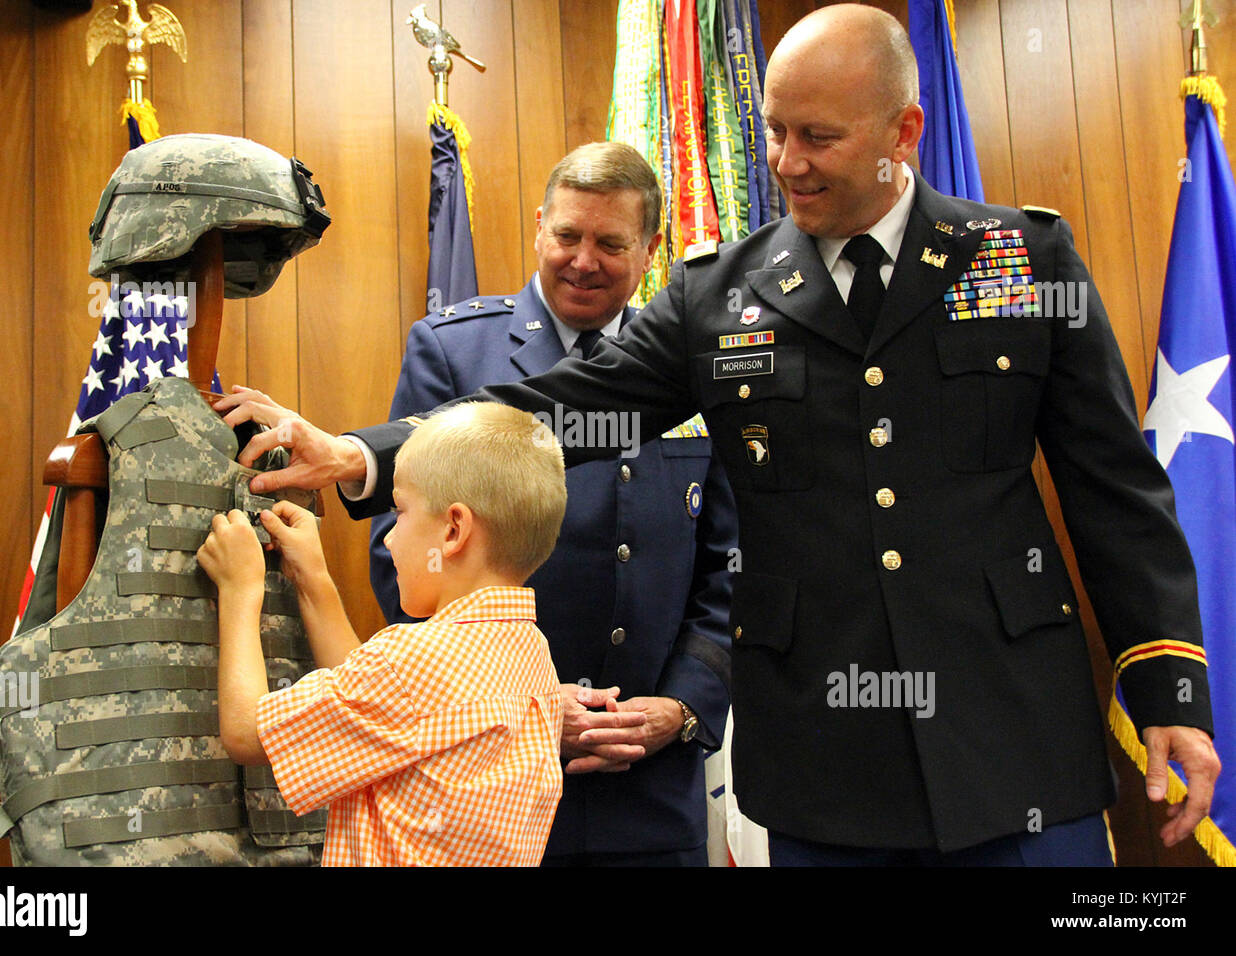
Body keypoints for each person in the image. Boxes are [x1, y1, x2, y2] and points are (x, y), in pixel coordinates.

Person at [217, 4, 1220, 864]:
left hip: (1009, 733)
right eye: (775, 130)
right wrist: (365, 454)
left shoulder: (1014, 258)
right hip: (826, 756)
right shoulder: (720, 294)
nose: (785, 163)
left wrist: (1166, 676)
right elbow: (571, 403)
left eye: (817, 138)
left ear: (904, 130)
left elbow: (1112, 483)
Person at [369, 142, 737, 866]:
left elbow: (730, 565)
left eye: (610, 243)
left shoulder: (694, 370)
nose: (583, 260)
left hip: (655, 794)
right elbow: (403, 563)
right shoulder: (454, 356)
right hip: (488, 781)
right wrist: (526, 701)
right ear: (539, 226)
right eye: (567, 235)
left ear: (651, 247)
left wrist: (684, 706)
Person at [196, 402, 567, 866]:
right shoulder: (531, 653)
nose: (389, 538)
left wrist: (240, 587)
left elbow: (248, 734)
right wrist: (314, 581)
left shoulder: (409, 663)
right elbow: (377, 711)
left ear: (454, 529)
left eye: (401, 511)